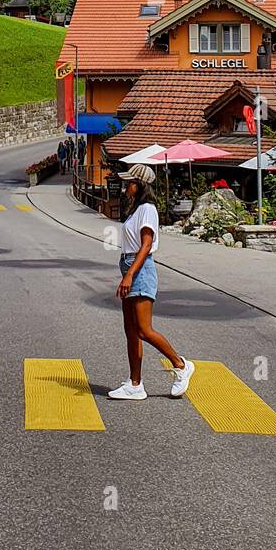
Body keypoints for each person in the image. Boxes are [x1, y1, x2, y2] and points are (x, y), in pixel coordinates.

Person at [107, 164, 195, 402]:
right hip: (130, 266)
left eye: (130, 182)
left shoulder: (148, 209)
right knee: (131, 332)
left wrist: (129, 276)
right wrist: (126, 272)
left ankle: (180, 365)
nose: (127, 186)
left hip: (140, 270)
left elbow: (146, 245)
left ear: (140, 184)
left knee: (144, 330)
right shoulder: (136, 209)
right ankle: (135, 385)